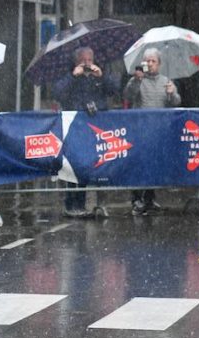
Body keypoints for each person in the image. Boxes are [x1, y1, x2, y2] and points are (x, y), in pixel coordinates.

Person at [52, 46, 120, 218]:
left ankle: (100, 204)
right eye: (83, 61)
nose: (87, 64)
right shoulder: (70, 75)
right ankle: (73, 204)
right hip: (75, 127)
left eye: (90, 60)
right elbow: (57, 93)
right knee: (75, 165)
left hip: (97, 127)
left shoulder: (98, 76)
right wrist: (73, 76)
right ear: (76, 62)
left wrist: (101, 76)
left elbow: (114, 90)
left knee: (99, 164)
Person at [123, 47, 181, 215]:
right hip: (140, 130)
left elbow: (176, 102)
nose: (149, 64)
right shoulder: (136, 80)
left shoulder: (166, 81)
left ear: (159, 64)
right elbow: (128, 96)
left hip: (159, 130)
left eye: (153, 61)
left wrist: (171, 94)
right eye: (147, 61)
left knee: (154, 165)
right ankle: (136, 199)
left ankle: (150, 198)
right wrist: (136, 80)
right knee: (139, 165)